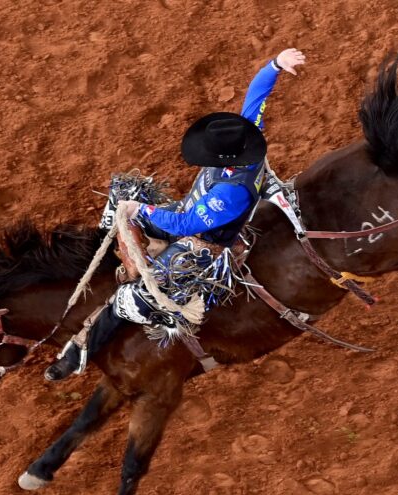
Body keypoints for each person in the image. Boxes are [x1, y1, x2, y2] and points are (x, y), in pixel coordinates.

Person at [45, 48, 306, 381]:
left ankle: (80, 352)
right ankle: (107, 261)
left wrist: (142, 211)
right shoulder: (247, 134)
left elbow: (185, 225)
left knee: (133, 299)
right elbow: (256, 95)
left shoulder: (231, 193)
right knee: (121, 191)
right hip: (186, 216)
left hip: (200, 246)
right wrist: (275, 65)